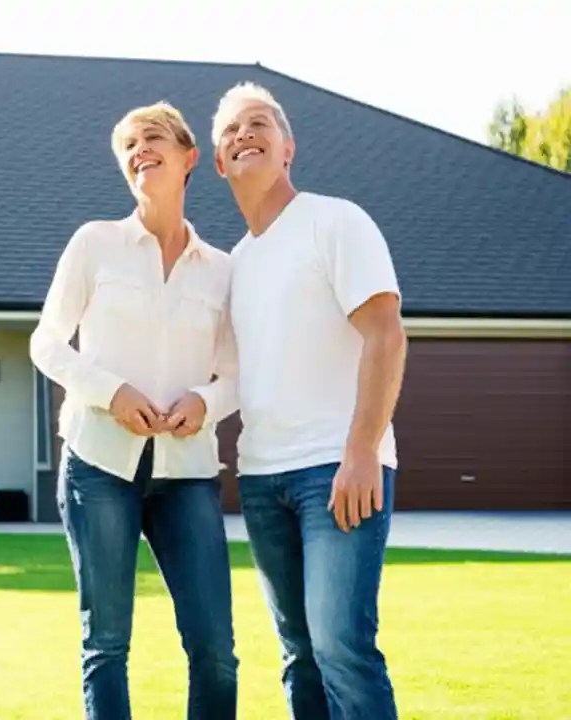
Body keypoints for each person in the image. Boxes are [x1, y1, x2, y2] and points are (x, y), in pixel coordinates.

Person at [30, 101, 239, 720]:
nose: (139, 150)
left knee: (215, 649)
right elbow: (47, 342)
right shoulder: (95, 244)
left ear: (189, 158)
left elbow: (236, 375)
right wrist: (109, 392)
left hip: (188, 476)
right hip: (98, 467)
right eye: (128, 146)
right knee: (107, 645)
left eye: (153, 138)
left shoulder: (224, 271)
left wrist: (206, 402)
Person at [211, 82, 407, 719]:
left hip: (336, 469)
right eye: (232, 129)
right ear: (217, 162)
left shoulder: (334, 221)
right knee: (299, 654)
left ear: (287, 147)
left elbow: (385, 333)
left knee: (341, 648)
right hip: (263, 480)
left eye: (259, 123)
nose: (245, 134)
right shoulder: (235, 264)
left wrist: (361, 450)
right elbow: (236, 376)